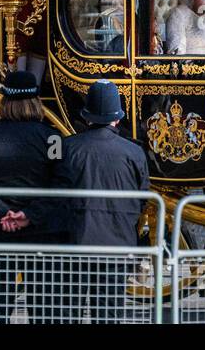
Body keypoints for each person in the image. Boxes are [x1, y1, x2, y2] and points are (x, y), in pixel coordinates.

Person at [0, 70, 62, 323]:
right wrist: (28, 215)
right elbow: (61, 184)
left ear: (4, 103)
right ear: (36, 102)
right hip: (41, 234)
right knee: (44, 310)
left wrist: (0, 214)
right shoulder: (52, 139)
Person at [52, 80, 150, 323]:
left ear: (87, 117)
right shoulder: (134, 152)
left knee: (67, 313)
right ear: (117, 119)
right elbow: (142, 199)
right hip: (116, 247)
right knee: (108, 315)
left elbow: (55, 194)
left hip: (75, 246)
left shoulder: (68, 148)